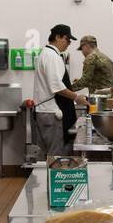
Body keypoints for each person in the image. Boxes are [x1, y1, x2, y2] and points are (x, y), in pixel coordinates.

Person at [30, 24, 86, 158]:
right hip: (52, 113)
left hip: (45, 112)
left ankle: (44, 179)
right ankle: (51, 179)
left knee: (47, 156)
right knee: (56, 157)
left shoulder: (45, 54)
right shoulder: (51, 56)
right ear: (57, 37)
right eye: (67, 39)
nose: (69, 43)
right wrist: (76, 97)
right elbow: (56, 87)